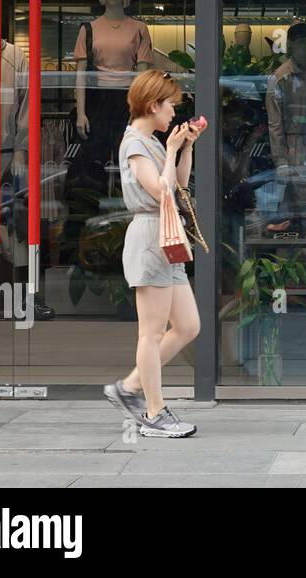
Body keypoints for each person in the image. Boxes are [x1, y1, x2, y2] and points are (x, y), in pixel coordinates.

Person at [103, 70, 205, 438]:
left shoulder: (151, 141)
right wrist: (175, 148)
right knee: (151, 332)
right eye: (170, 106)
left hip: (165, 235)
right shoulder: (135, 143)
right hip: (151, 235)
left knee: (188, 325)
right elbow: (161, 189)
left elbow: (178, 182)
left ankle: (128, 388)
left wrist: (186, 146)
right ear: (152, 105)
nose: (173, 115)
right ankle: (154, 411)